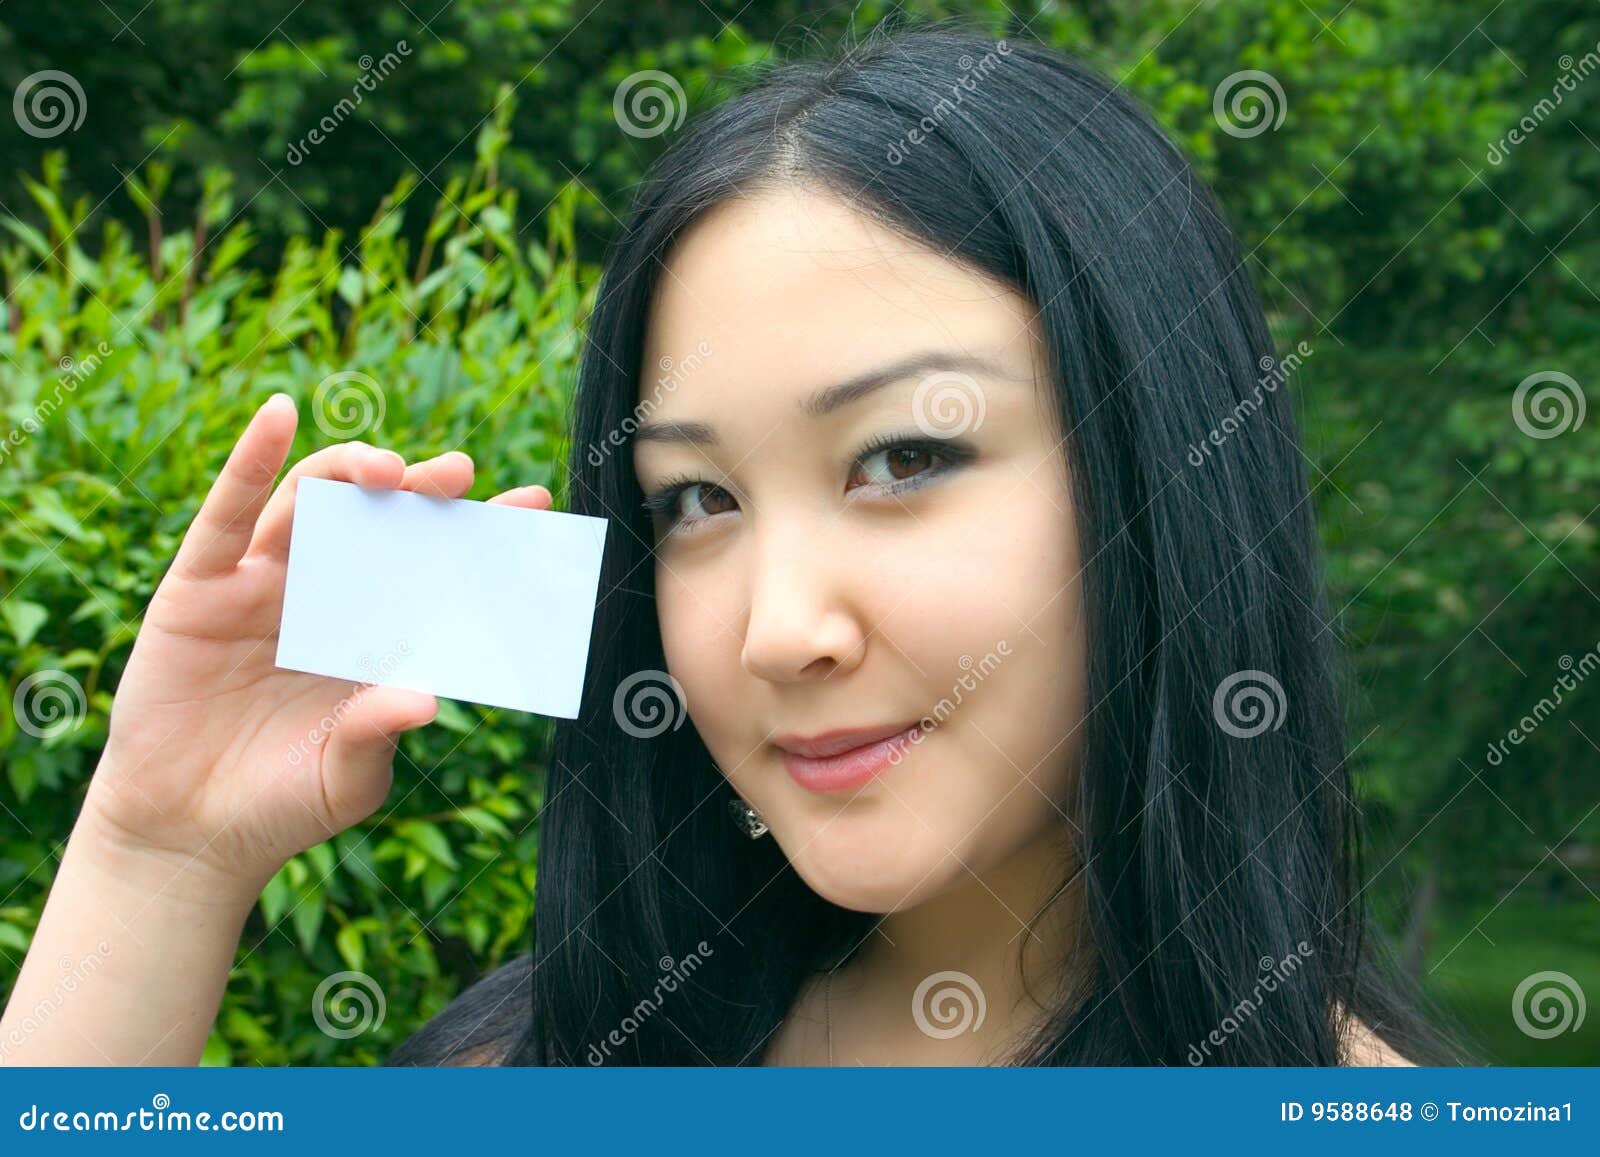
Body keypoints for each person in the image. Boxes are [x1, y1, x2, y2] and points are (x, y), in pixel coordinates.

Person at [0, 20, 1470, 1067]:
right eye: (695, 500)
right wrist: (162, 850)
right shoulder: (542, 1061)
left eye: (904, 458)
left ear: (1156, 470)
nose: (774, 630)